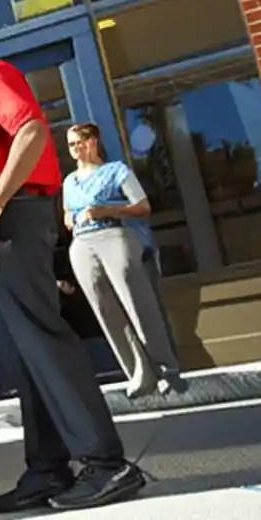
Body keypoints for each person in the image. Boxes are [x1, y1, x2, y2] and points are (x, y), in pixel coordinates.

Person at [0, 16, 144, 513]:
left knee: (44, 339)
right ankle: (47, 468)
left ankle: (106, 464)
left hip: (11, 218)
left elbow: (32, 130)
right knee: (26, 353)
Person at [62, 122, 187, 398]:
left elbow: (143, 207)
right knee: (106, 311)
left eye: (79, 142)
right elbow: (67, 214)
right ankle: (139, 373)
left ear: (93, 141)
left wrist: (105, 210)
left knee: (137, 303)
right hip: (82, 245)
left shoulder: (116, 171)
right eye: (71, 145)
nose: (75, 149)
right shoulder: (69, 182)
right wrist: (70, 218)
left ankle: (167, 369)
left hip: (114, 237)